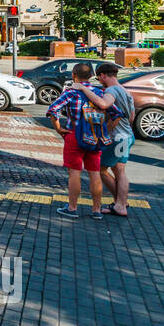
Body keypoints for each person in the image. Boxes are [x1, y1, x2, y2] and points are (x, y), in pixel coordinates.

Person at [45, 62, 121, 220]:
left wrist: (58, 128)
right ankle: (96, 210)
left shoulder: (72, 92)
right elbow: (117, 114)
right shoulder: (100, 93)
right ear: (91, 76)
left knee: (74, 172)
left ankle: (72, 208)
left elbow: (53, 109)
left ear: (74, 75)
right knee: (95, 173)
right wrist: (105, 128)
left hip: (74, 135)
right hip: (95, 137)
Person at [95, 62, 135, 217]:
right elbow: (131, 117)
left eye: (99, 79)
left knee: (100, 169)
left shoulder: (111, 90)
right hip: (127, 136)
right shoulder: (126, 91)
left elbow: (104, 104)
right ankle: (121, 203)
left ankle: (120, 203)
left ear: (103, 75)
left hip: (117, 137)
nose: (100, 82)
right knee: (119, 170)